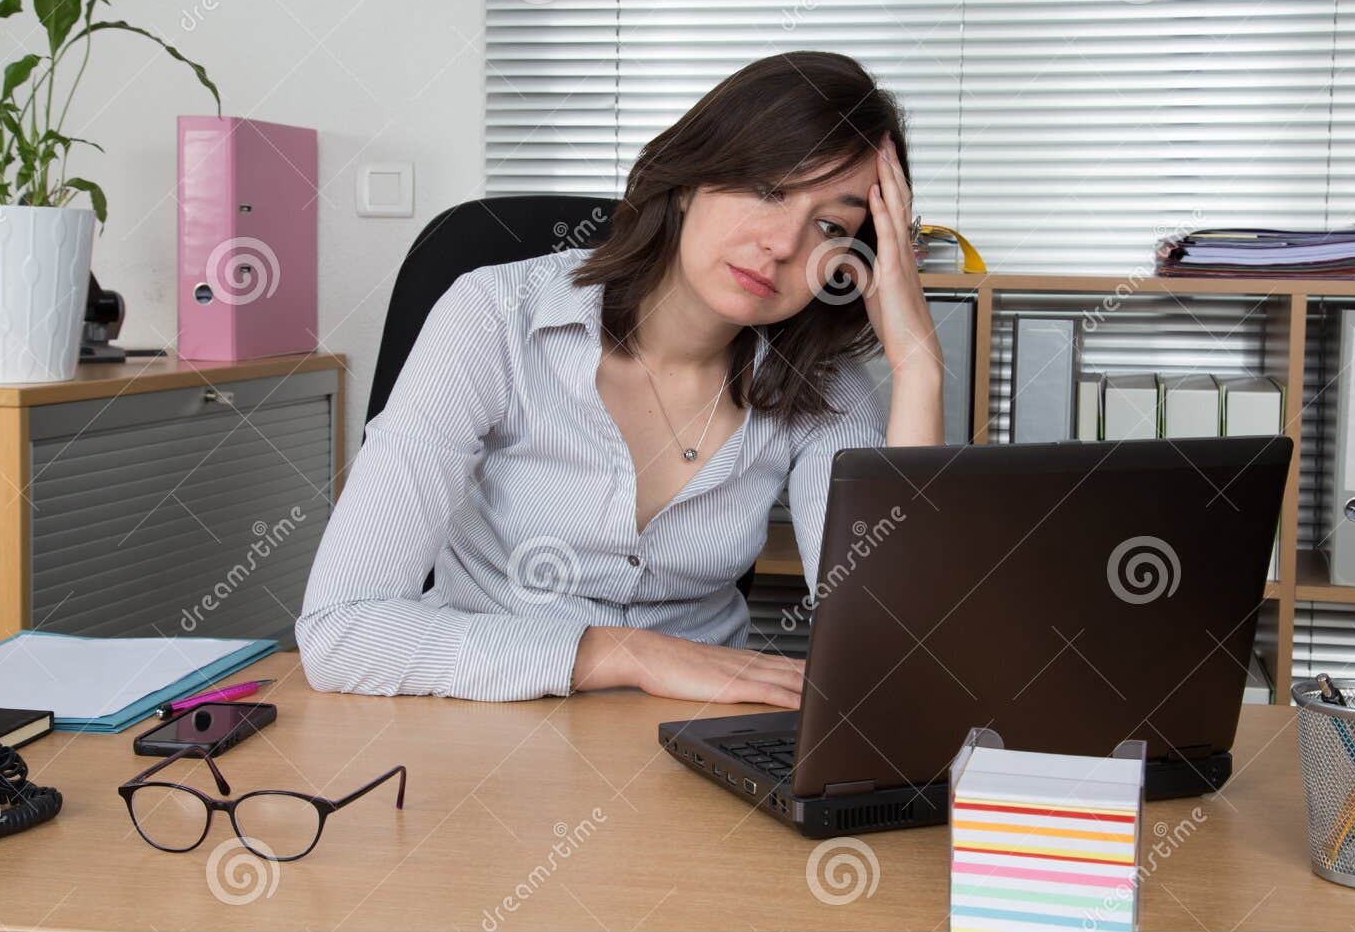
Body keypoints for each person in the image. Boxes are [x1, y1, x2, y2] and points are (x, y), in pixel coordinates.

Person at [296, 51, 944, 706]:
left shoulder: (824, 383)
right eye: (767, 189)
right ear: (691, 177)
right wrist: (626, 653)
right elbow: (341, 628)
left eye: (829, 226)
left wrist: (917, 364)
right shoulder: (494, 316)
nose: (782, 244)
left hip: (690, 736)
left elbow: (891, 657)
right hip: (483, 717)